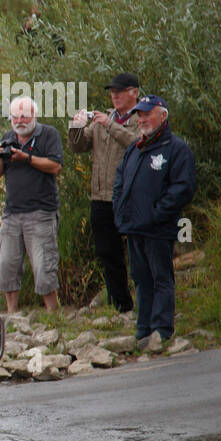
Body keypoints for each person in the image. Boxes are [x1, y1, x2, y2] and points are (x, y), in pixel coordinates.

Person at [112, 95, 196, 349]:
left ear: (163, 116)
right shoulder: (134, 149)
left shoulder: (176, 148)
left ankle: (162, 329)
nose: (142, 119)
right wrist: (120, 212)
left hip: (159, 228)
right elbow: (119, 184)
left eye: (148, 114)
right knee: (140, 277)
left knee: (161, 277)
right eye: (139, 114)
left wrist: (157, 213)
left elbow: (183, 188)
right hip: (134, 227)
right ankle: (144, 328)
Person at [69, 72, 143, 313]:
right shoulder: (103, 119)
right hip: (100, 197)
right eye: (112, 91)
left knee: (137, 250)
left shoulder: (142, 118)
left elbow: (138, 144)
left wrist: (109, 125)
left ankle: (146, 302)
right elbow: (78, 147)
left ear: (135, 92)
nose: (115, 95)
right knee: (106, 251)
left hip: (128, 196)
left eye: (120, 91)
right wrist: (75, 126)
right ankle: (121, 305)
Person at [0, 96, 63, 313]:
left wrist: (26, 158)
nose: (20, 120)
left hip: (41, 211)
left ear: (35, 116)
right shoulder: (7, 137)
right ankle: (12, 314)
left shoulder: (48, 134)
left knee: (44, 266)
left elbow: (55, 166)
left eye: (24, 116)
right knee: (7, 266)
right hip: (12, 212)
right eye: (16, 116)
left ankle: (53, 313)